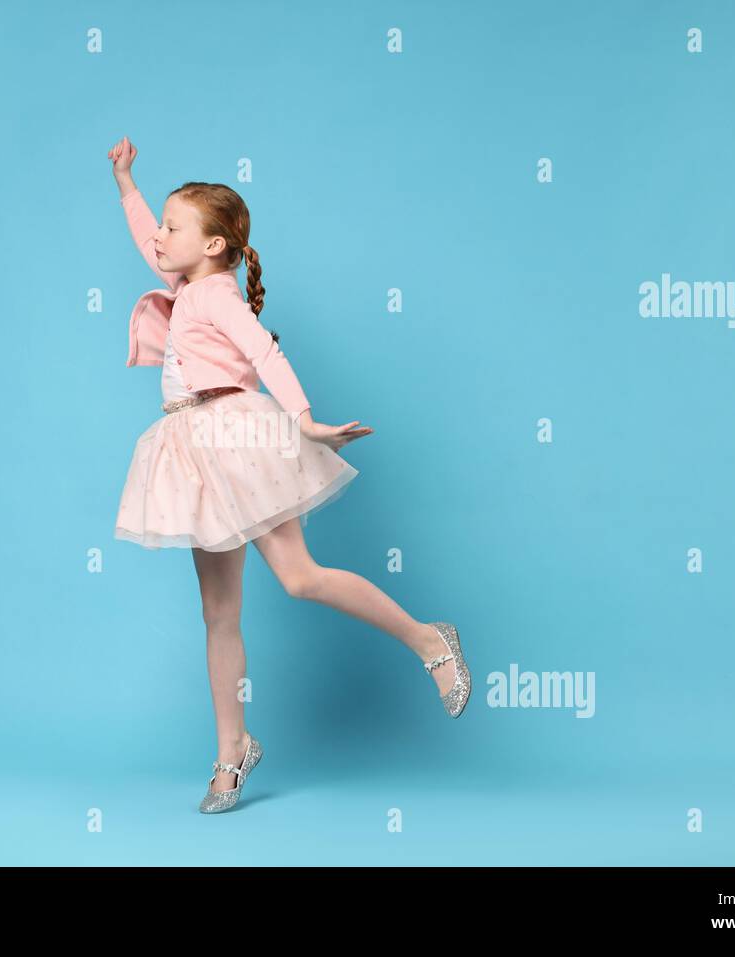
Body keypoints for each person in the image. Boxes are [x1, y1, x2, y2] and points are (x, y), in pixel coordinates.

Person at [106, 135, 471, 813]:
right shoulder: (185, 286)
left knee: (300, 577)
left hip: (239, 437)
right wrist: (128, 184)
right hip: (193, 445)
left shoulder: (216, 298)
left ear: (214, 245)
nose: (159, 236)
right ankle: (231, 751)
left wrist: (302, 418)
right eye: (159, 223)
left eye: (173, 225)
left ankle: (428, 637)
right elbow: (143, 240)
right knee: (218, 613)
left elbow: (264, 353)